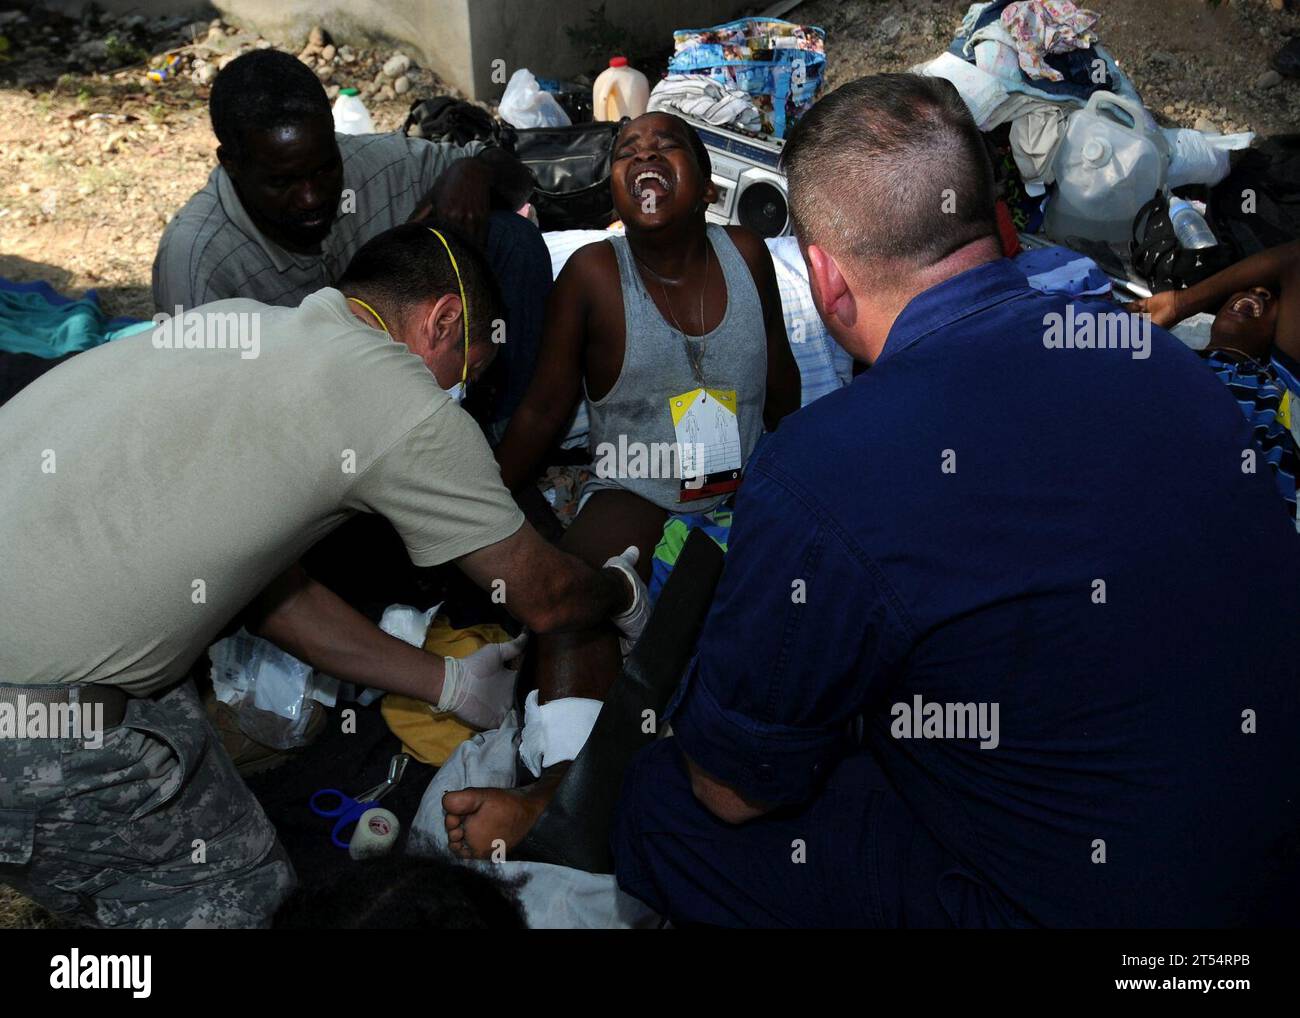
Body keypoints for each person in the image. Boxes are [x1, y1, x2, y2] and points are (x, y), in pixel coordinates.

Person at [611, 75, 1300, 928]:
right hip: (1260, 860)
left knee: (660, 805)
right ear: (990, 219)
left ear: (824, 278)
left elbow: (732, 793)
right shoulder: (1153, 356)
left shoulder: (820, 474)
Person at [0, 223, 650, 929]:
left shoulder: (239, 322)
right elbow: (547, 596)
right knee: (251, 902)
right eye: (470, 371)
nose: (463, 393)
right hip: (38, 717)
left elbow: (272, 595)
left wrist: (449, 683)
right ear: (444, 319)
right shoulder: (402, 403)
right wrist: (621, 593)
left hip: (60, 658)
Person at [441, 111, 801, 860]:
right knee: (568, 598)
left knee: (789, 617)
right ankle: (565, 786)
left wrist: (798, 471)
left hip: (747, 490)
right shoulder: (594, 276)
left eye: (666, 145)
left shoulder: (747, 253)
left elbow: (782, 377)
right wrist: (481, 507)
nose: (644, 156)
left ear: (705, 183)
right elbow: (543, 409)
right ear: (610, 187)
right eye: (626, 151)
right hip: (638, 491)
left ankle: (687, 756)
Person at [151, 49, 551, 429]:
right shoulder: (197, 262)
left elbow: (517, 178)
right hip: (293, 431)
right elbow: (204, 414)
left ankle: (502, 443)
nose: (311, 197)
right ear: (232, 165)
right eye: (282, 182)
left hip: (410, 395)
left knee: (509, 238)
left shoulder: (376, 163)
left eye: (325, 169)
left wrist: (473, 171)